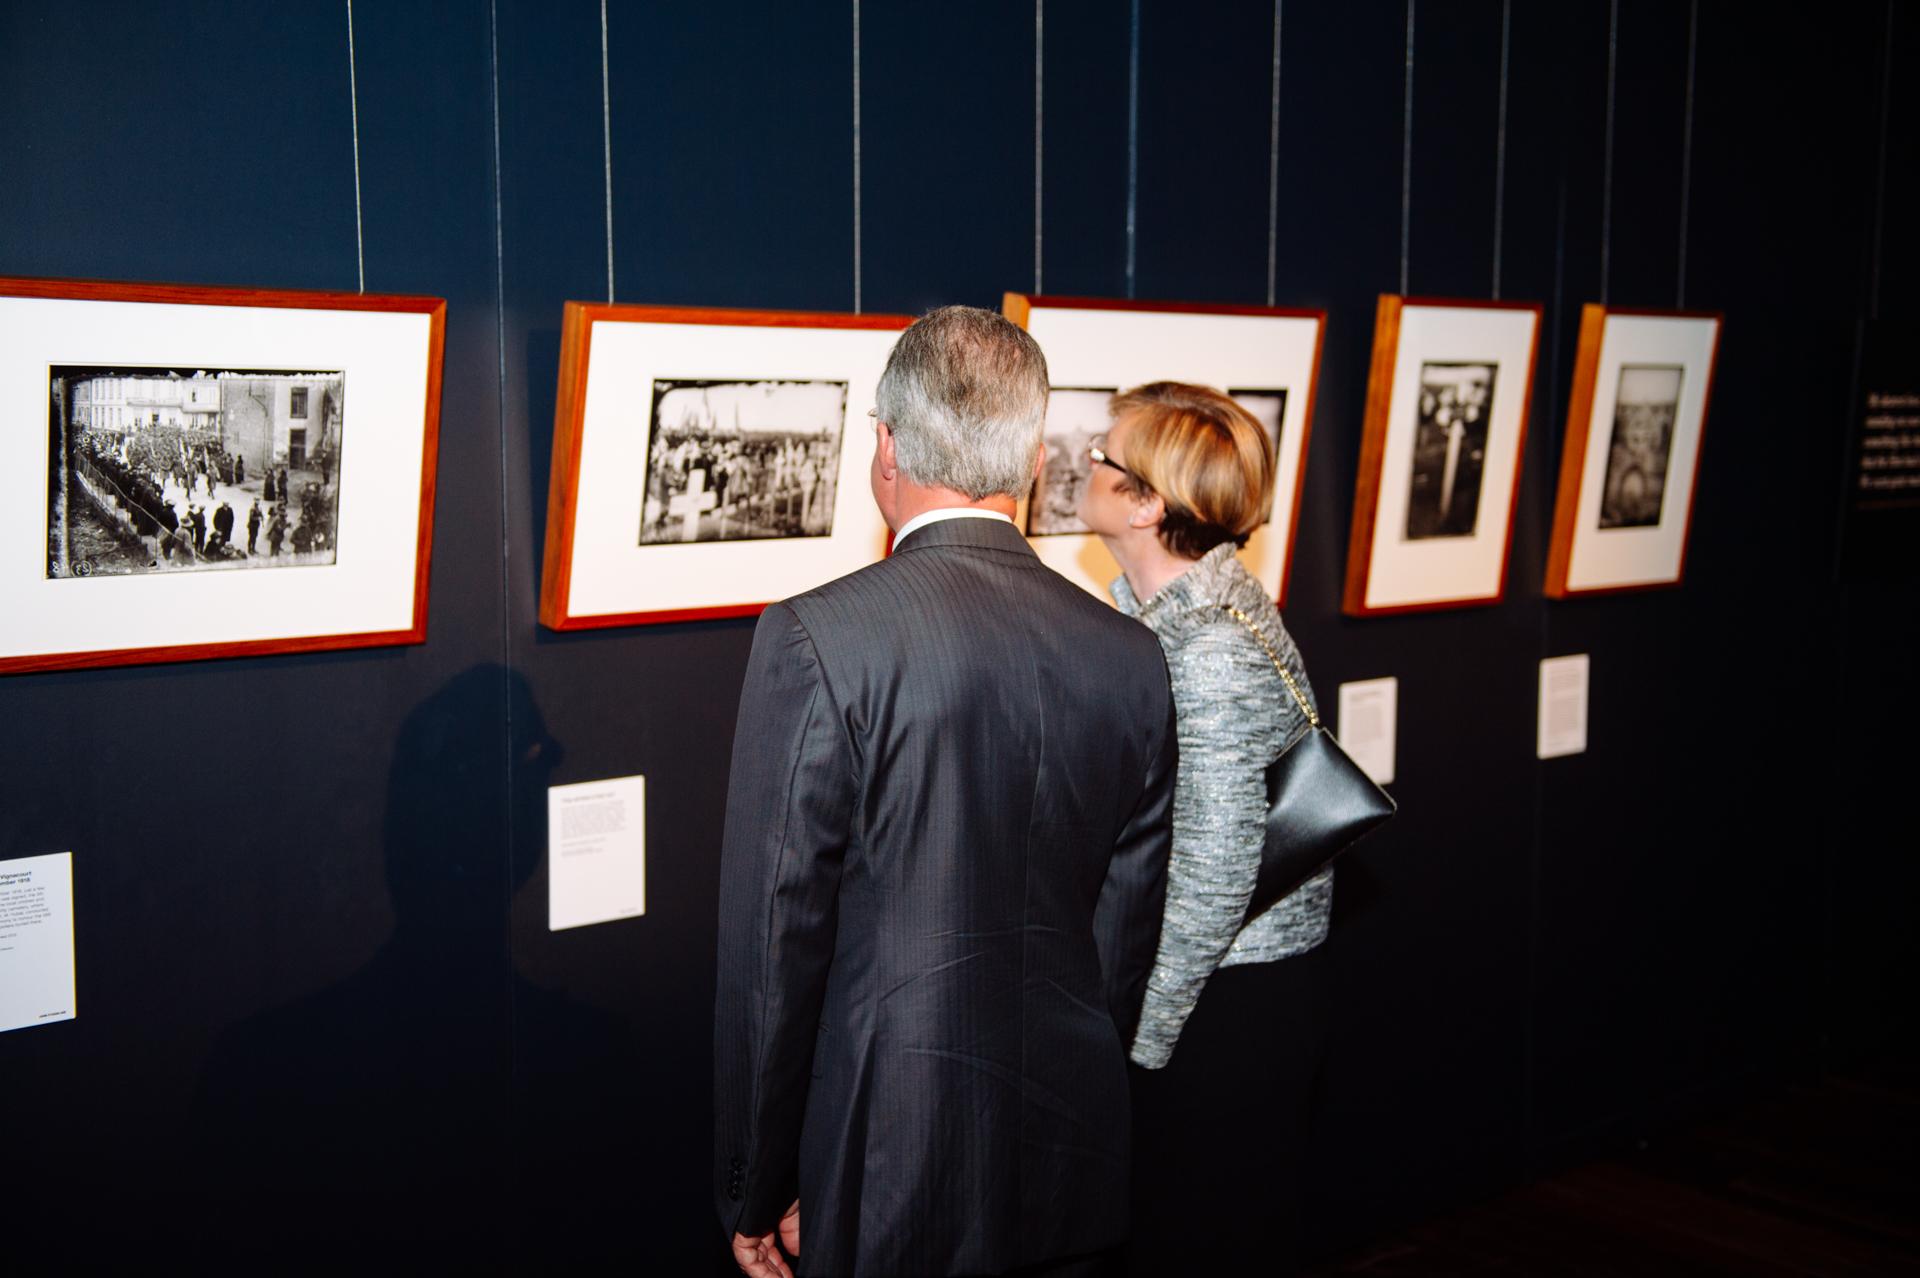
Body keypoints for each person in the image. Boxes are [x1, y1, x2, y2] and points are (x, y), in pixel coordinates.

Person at [714, 307, 1178, 1278]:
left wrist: (760, 1180)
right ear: (1029, 456)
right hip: (1064, 1140)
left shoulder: (820, 637)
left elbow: (775, 942)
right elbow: (1119, 944)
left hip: (887, 1150)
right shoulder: (1131, 655)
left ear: (887, 446)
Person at [1074, 382, 1332, 1277]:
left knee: (1207, 1232)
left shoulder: (1211, 649)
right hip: (1207, 989)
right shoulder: (1170, 615)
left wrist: (1146, 1040)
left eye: (1104, 455)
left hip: (1224, 1000)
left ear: (1147, 503)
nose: (1086, 462)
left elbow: (1216, 874)